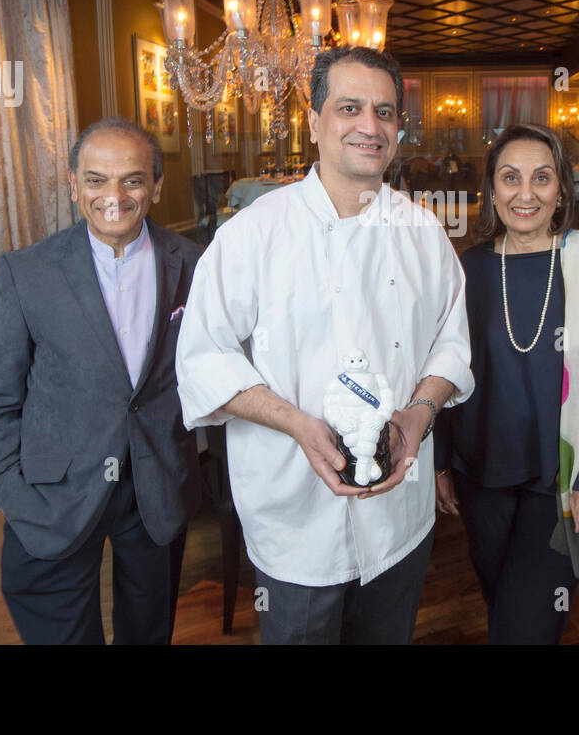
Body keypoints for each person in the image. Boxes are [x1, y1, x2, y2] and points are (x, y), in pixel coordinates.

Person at [176, 45, 473, 645]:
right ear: (313, 122)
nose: (370, 126)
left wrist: (419, 414)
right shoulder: (251, 235)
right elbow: (203, 356)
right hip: (293, 525)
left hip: (399, 522)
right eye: (350, 107)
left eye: (385, 112)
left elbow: (452, 343)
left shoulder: (424, 234)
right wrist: (295, 424)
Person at [0, 118, 202, 644]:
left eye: (133, 180)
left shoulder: (194, 263)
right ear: (73, 184)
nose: (113, 196)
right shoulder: (26, 272)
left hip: (156, 485)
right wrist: (12, 491)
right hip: (53, 493)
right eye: (96, 180)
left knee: (149, 632)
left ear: (157, 186)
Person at [434, 122, 579, 644]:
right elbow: (442, 369)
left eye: (541, 178)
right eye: (510, 178)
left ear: (562, 190)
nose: (525, 193)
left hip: (562, 486)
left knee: (525, 629)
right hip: (480, 480)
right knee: (500, 605)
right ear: (492, 190)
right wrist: (440, 460)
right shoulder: (468, 271)